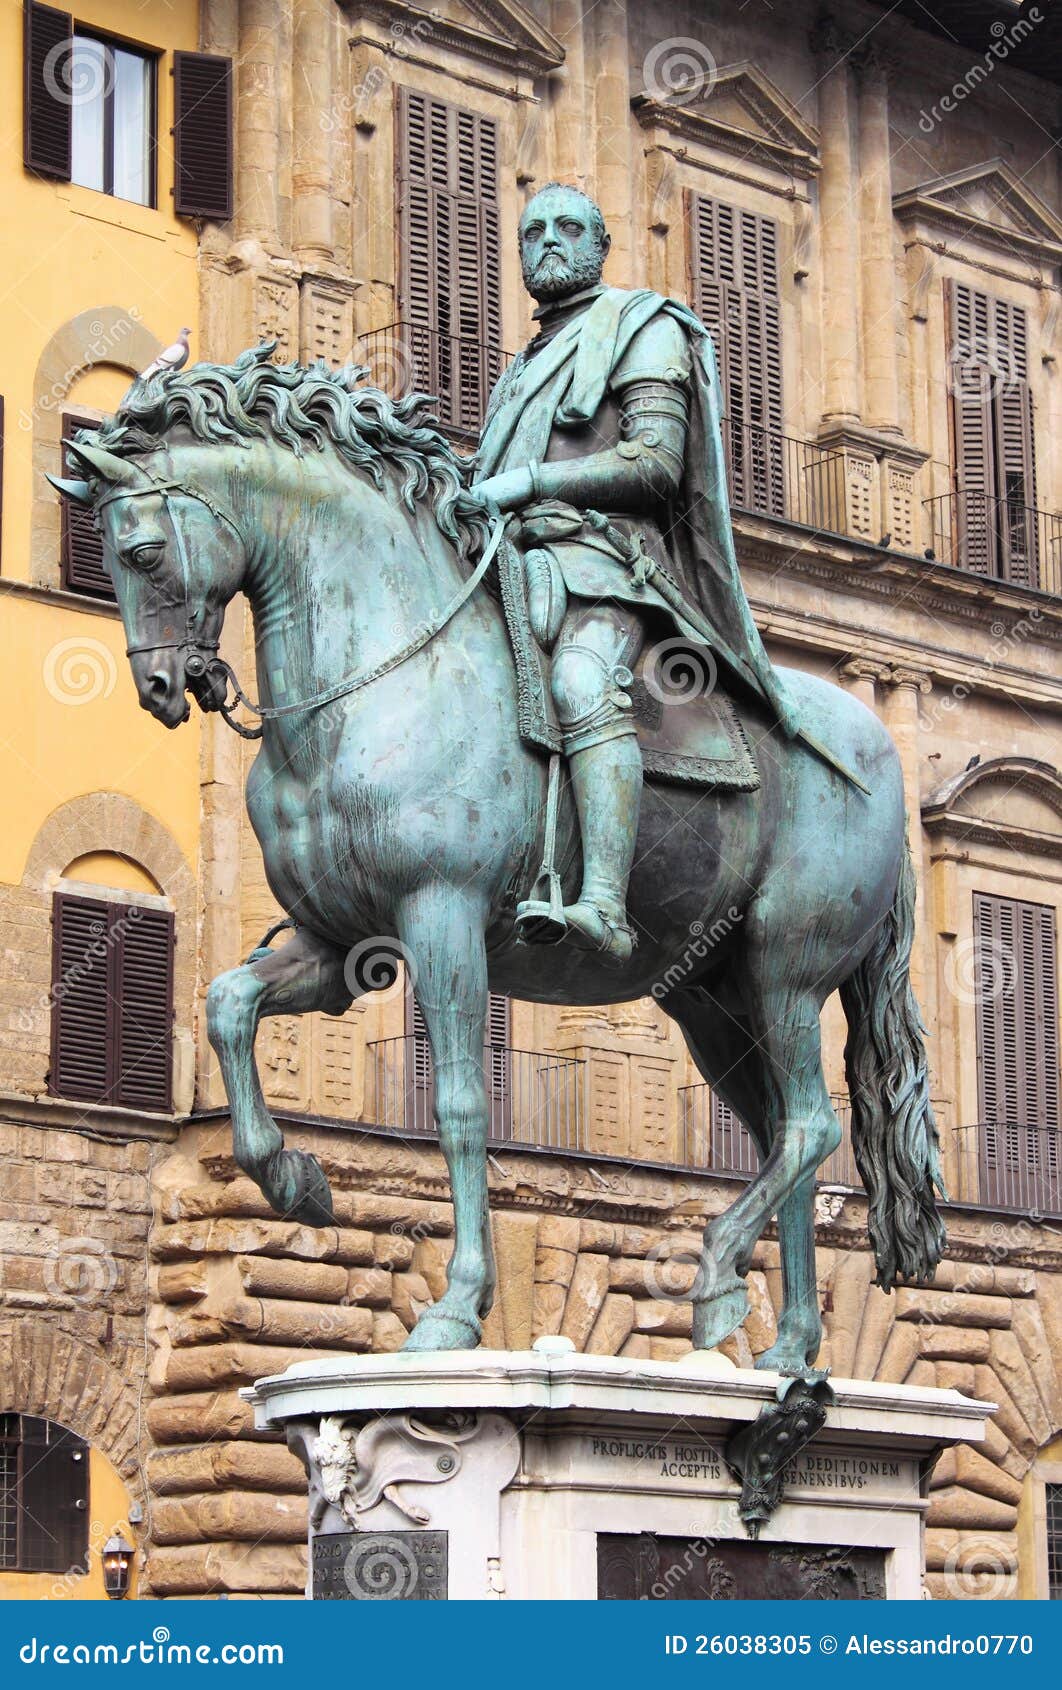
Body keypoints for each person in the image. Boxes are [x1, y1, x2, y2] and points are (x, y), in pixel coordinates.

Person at [474, 183, 798, 965]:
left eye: (569, 228)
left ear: (599, 246)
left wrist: (533, 486)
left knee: (584, 683)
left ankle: (608, 904)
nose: (549, 241)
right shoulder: (522, 367)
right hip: (512, 564)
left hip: (606, 565)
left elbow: (654, 461)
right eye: (534, 232)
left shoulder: (641, 326)